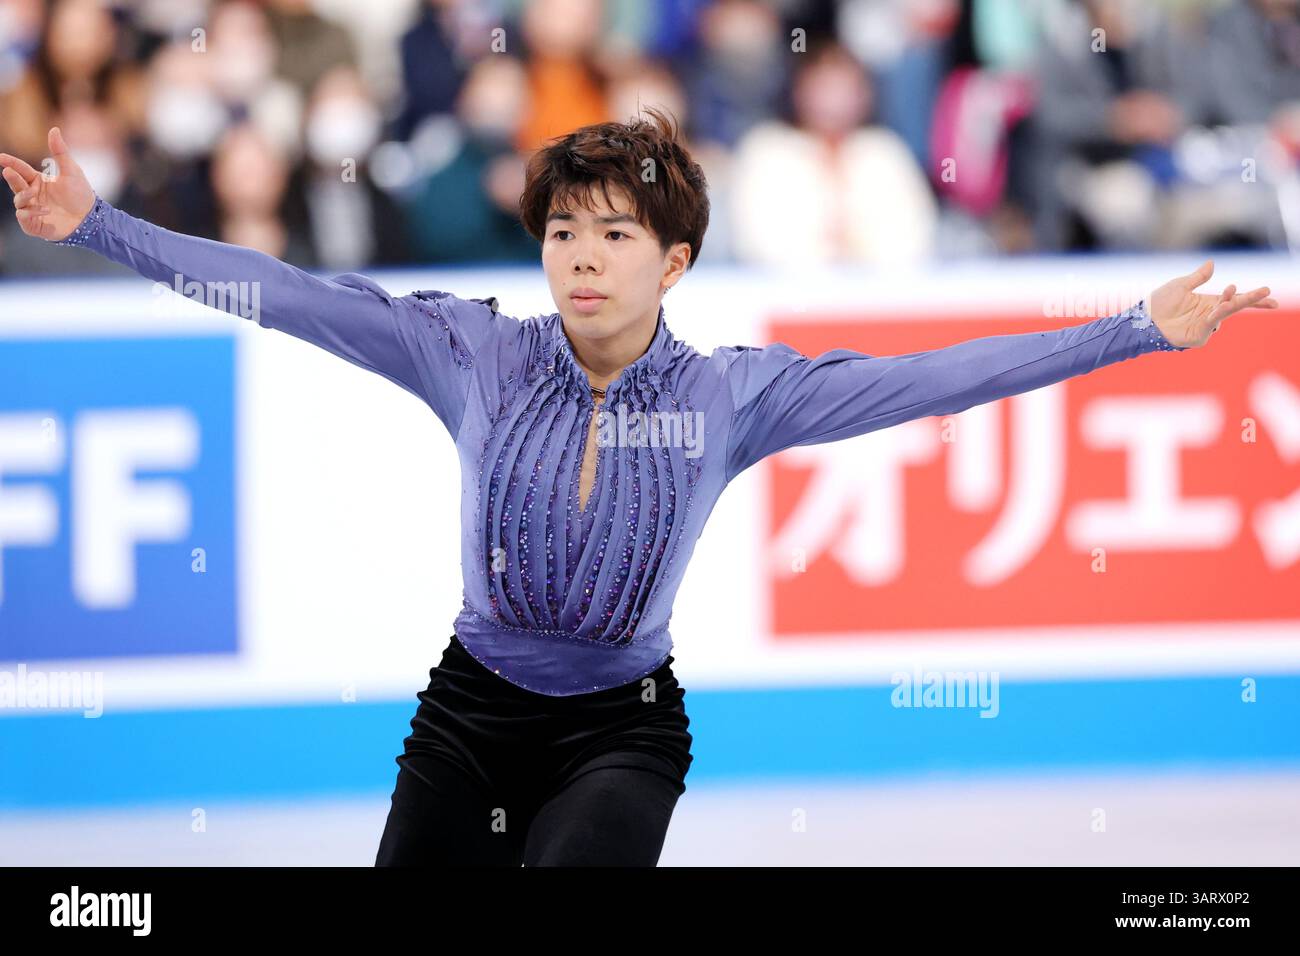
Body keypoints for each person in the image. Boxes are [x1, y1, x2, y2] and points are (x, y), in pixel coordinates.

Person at [1, 110, 1278, 866]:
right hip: (466, 715)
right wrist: (104, 226)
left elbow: (935, 378)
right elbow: (282, 294)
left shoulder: (734, 396)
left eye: (615, 233)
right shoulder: (471, 354)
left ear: (673, 261)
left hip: (622, 728)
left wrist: (1127, 330)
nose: (582, 256)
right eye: (563, 230)